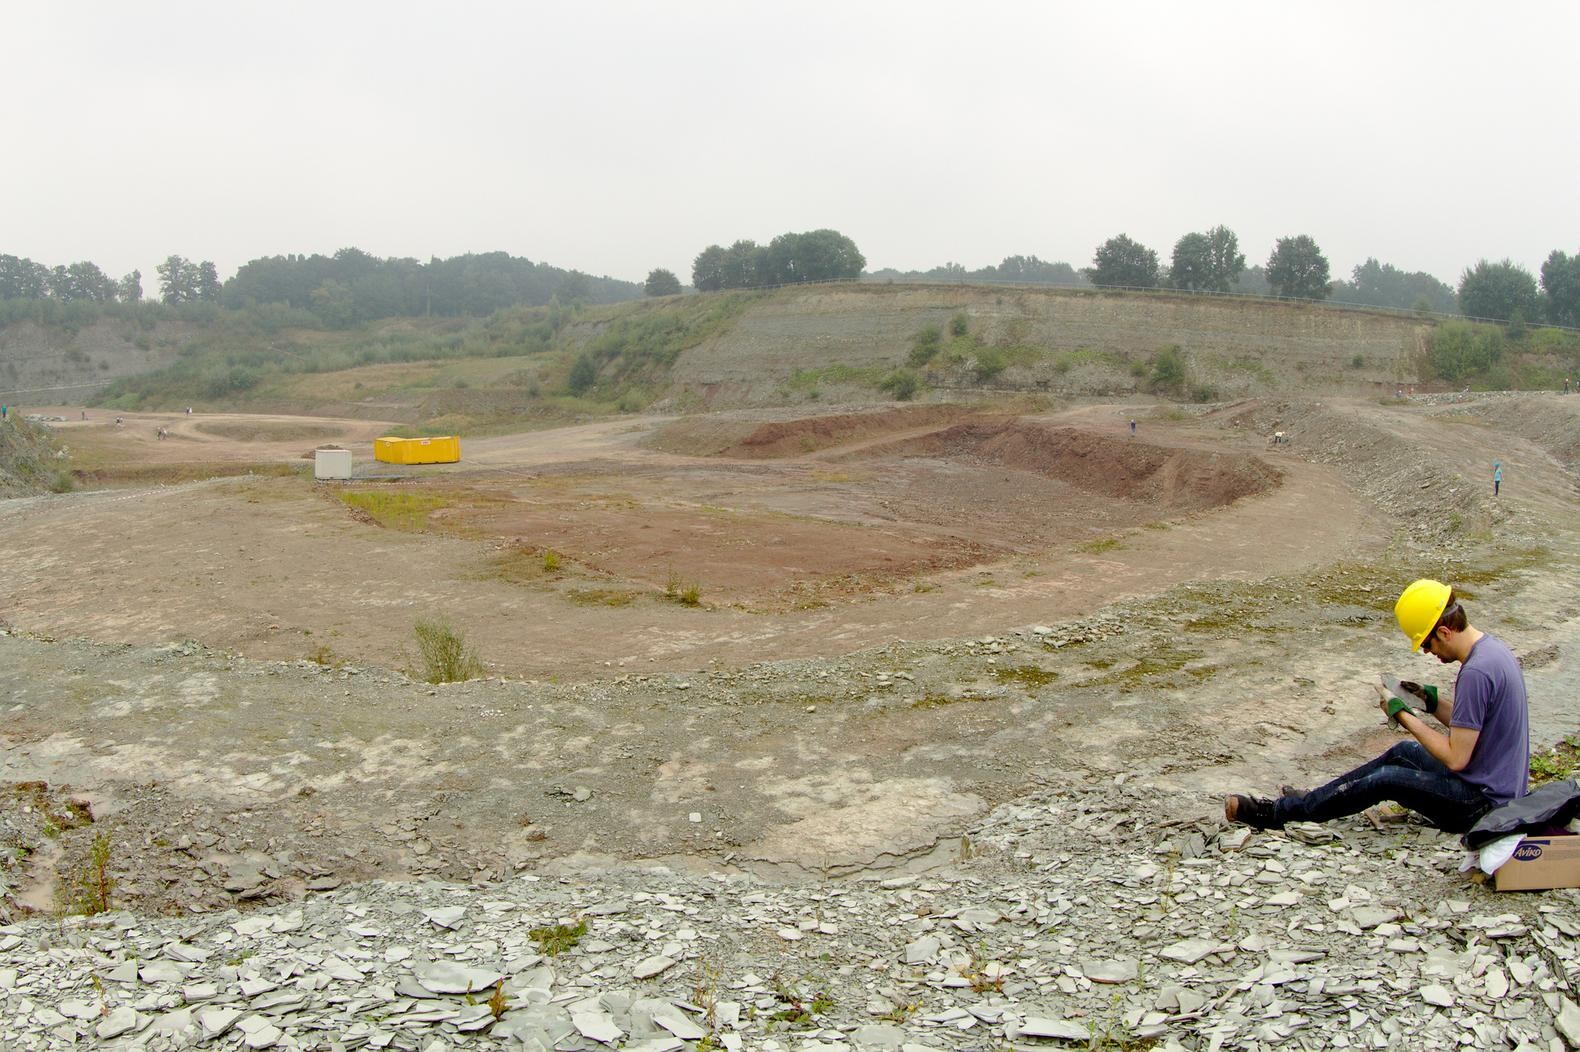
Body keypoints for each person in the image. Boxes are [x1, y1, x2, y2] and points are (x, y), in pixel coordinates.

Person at [1226, 579, 1529, 833]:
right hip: (1494, 788)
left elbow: (1457, 757)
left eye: (1427, 644)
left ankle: (1279, 813)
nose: (1427, 652)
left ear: (1444, 632)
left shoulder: (1475, 673)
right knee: (1403, 754)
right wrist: (1431, 702)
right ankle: (1317, 800)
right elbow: (1473, 726)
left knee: (1386, 780)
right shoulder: (1491, 651)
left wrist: (1404, 716)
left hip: (1483, 806)